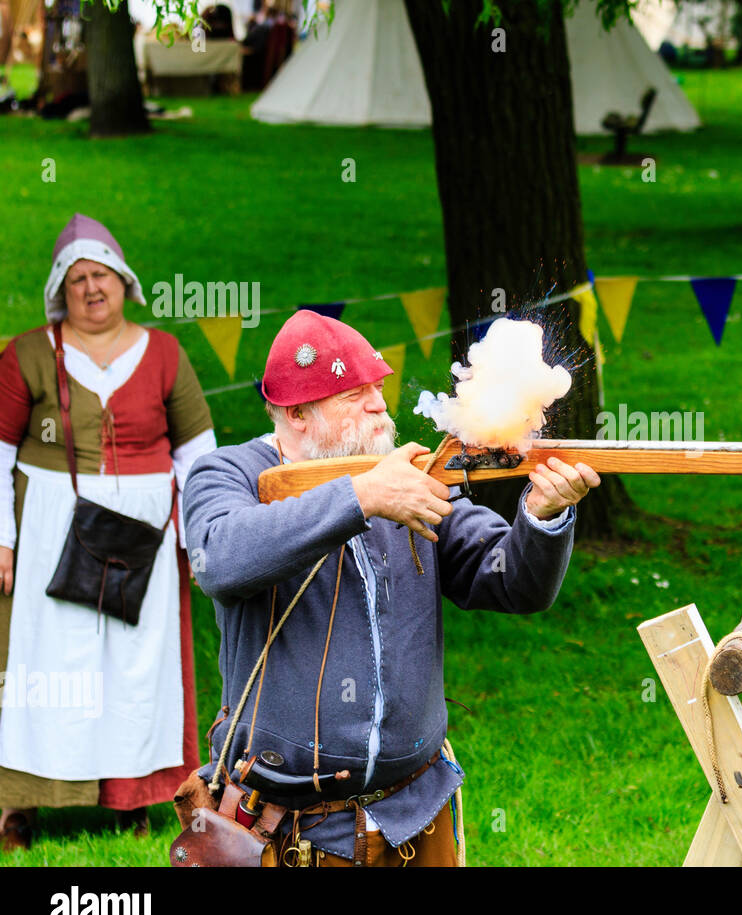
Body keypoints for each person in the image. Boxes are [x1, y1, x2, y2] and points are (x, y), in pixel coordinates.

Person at [178, 310, 599, 867]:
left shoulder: (405, 477)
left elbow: (512, 584)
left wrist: (542, 518)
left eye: (376, 387)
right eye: (353, 394)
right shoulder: (226, 473)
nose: (379, 403)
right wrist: (360, 498)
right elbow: (221, 561)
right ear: (297, 413)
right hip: (288, 828)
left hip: (416, 812)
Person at [0, 213, 215, 851]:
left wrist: (199, 536)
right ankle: (19, 805)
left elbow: (200, 452)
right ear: (60, 291)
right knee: (41, 669)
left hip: (140, 538)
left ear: (125, 282)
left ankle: (134, 795)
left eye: (102, 275)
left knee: (134, 670)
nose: (92, 288)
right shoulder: (27, 353)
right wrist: (2, 538)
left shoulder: (166, 354)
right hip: (43, 532)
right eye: (77, 278)